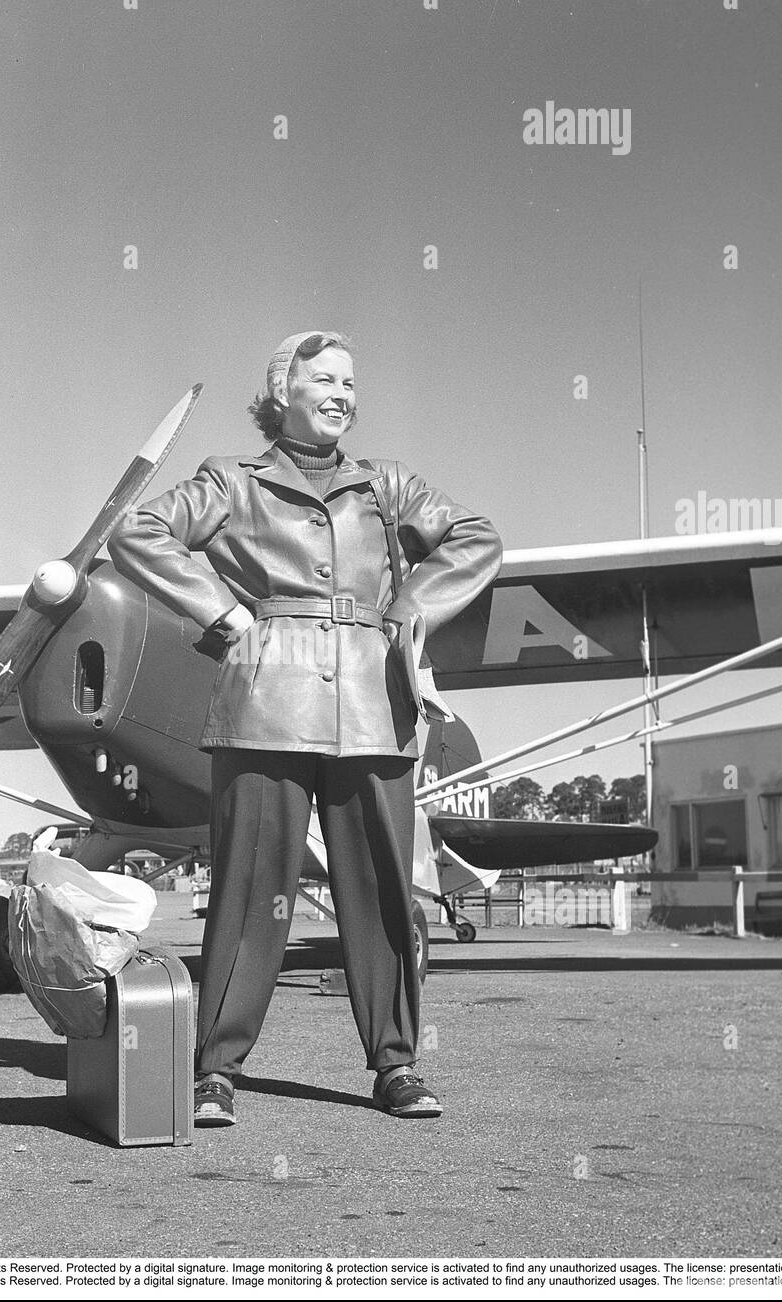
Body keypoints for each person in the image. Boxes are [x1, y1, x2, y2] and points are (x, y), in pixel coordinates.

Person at [108, 331, 502, 1125]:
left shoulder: (387, 484)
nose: (342, 394)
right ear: (281, 389)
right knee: (250, 891)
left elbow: (475, 537)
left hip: (373, 705)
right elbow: (136, 531)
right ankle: (215, 1070)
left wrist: (405, 616)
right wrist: (220, 610)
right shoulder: (230, 479)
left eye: (351, 382)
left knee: (382, 890)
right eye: (324, 378)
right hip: (264, 703)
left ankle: (396, 1065)